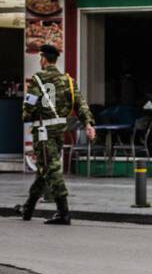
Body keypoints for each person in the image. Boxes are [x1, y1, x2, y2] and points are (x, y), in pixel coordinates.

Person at [17, 43, 95, 225]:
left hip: (43, 132)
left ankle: (63, 212)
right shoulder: (68, 80)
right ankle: (27, 209)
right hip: (60, 131)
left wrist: (27, 115)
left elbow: (28, 109)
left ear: (43, 59)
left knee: (51, 169)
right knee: (45, 169)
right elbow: (81, 104)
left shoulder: (37, 79)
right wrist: (88, 124)